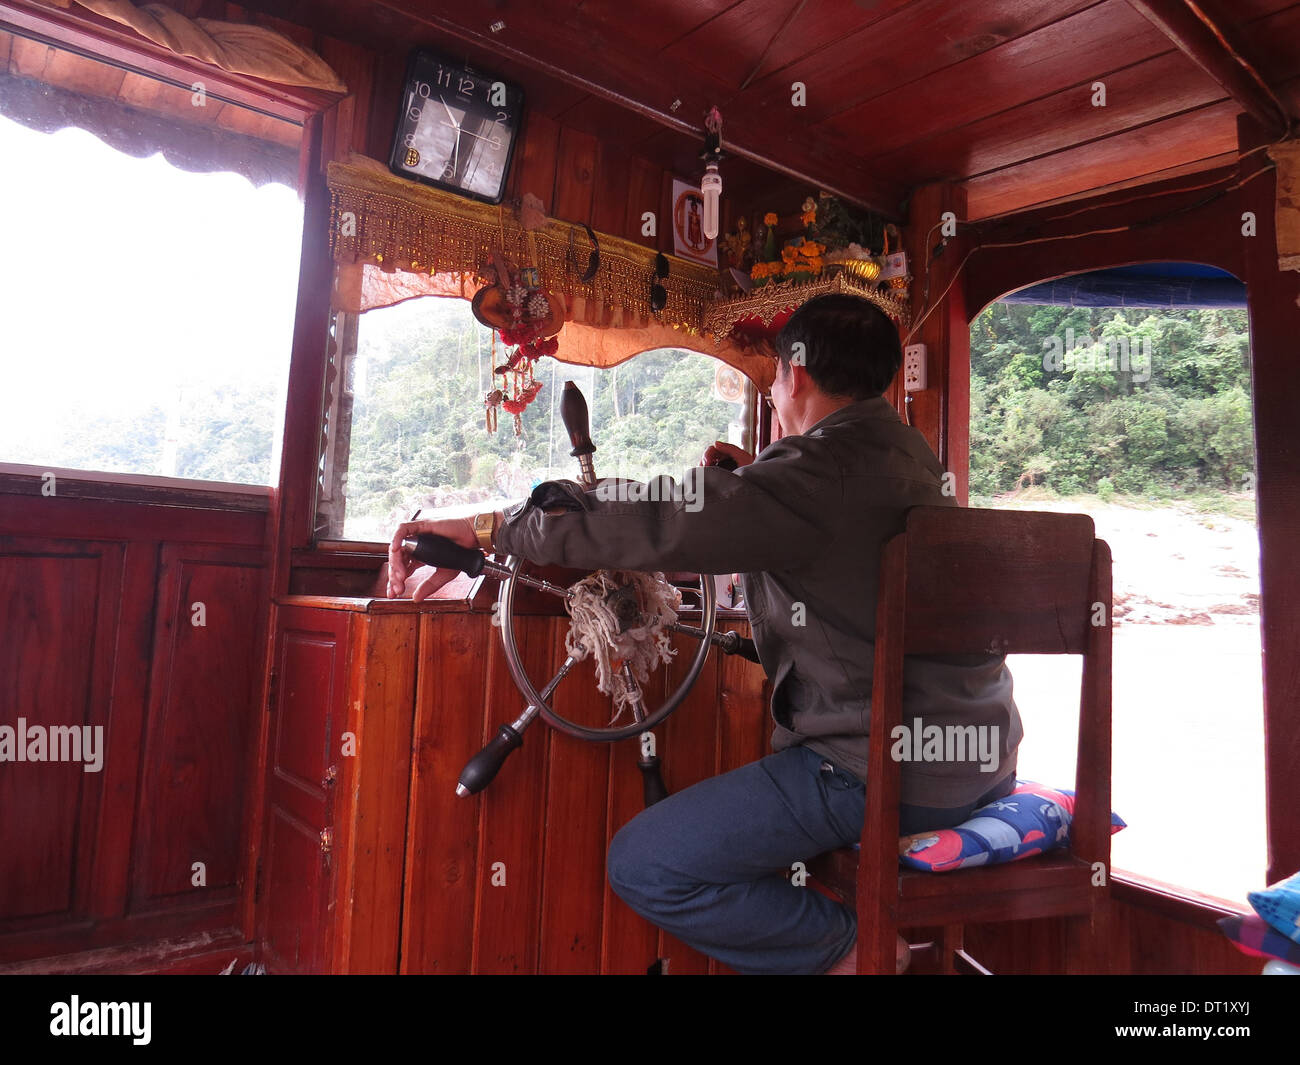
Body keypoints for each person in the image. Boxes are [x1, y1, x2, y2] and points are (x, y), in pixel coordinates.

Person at [386, 293, 1023, 975]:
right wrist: (750, 478)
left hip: (875, 773)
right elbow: (807, 531)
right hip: (982, 761)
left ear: (796, 377)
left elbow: (663, 517)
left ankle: (856, 950)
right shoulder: (911, 462)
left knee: (645, 862)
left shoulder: (817, 475)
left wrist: (495, 527)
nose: (777, 393)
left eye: (775, 379)